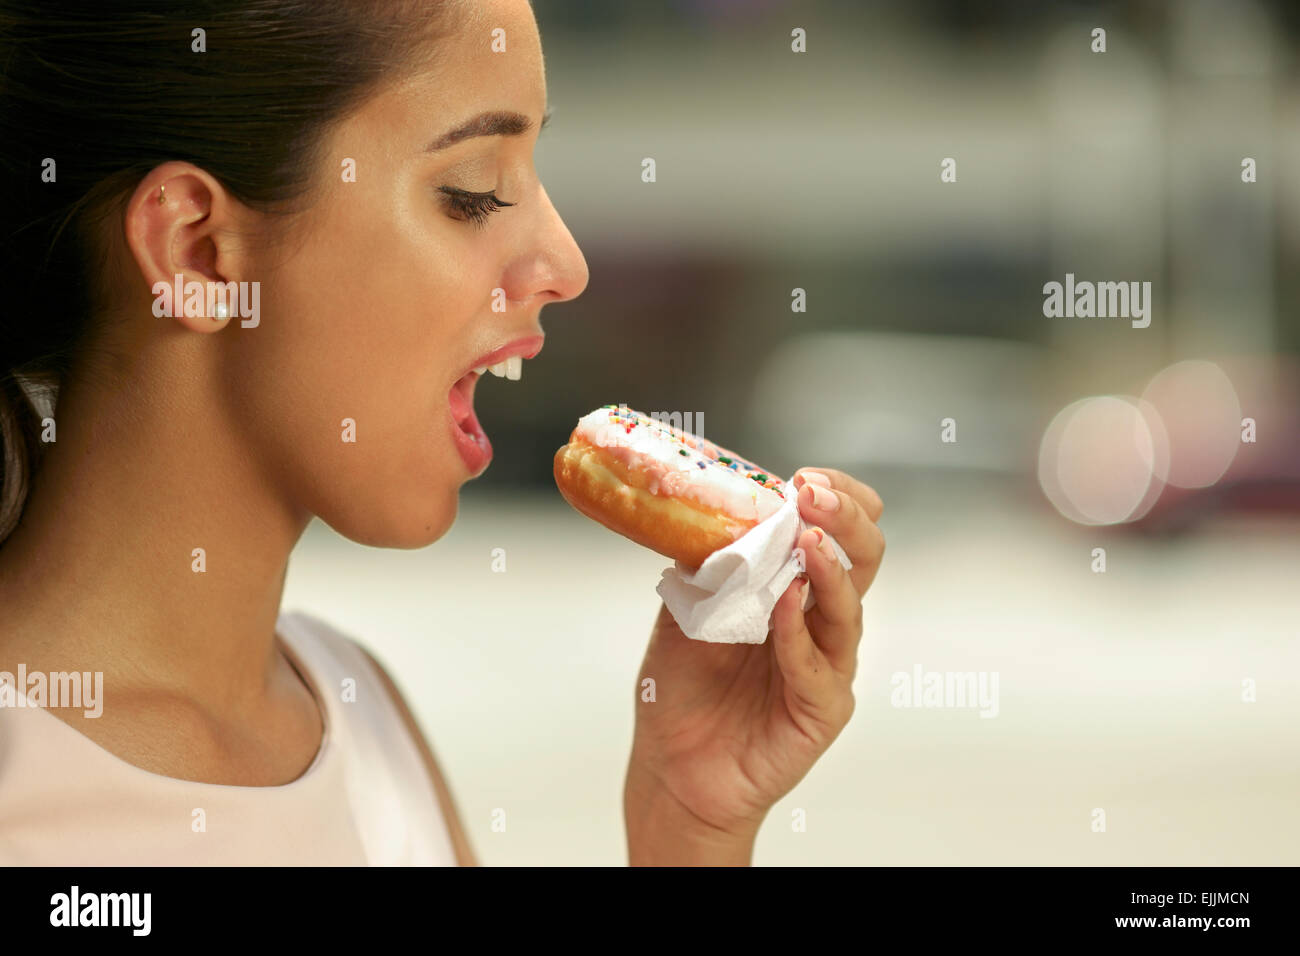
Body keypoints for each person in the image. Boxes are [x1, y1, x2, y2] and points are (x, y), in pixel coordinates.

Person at [0, 0, 885, 865]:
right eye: (473, 193)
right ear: (195, 249)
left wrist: (690, 826)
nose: (566, 265)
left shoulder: (359, 713)